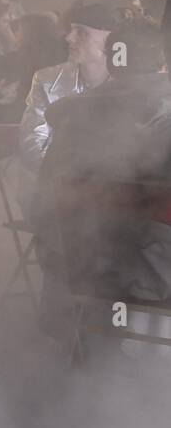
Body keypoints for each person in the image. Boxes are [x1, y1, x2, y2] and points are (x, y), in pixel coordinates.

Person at [32, 20, 171, 327]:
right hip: (155, 276)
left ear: (112, 59)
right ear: (163, 63)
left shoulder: (71, 117)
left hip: (74, 265)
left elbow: (40, 205)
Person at [18, 4, 120, 176]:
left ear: (109, 39)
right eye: (71, 30)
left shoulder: (127, 84)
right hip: (54, 186)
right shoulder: (47, 80)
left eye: (81, 32)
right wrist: (66, 182)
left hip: (112, 188)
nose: (69, 38)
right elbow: (33, 144)